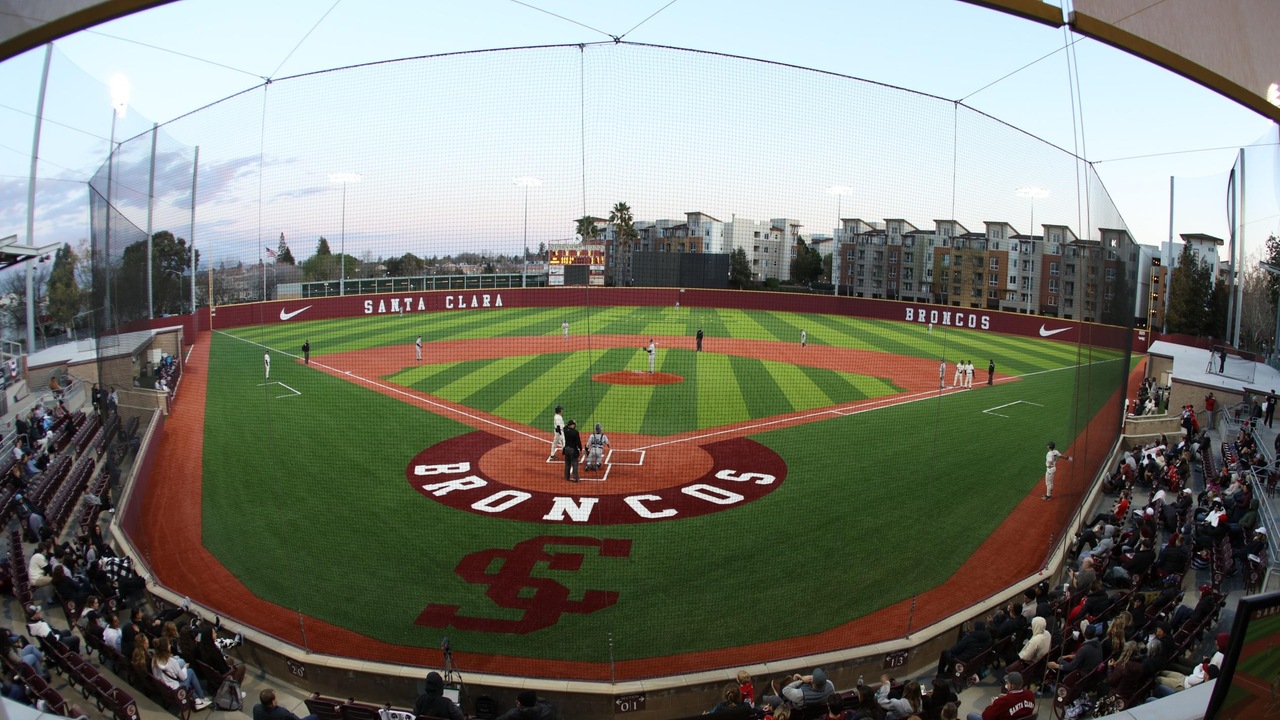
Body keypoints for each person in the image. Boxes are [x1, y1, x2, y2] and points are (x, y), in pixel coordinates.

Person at [965, 671, 1035, 720]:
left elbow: (986, 716)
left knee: (971, 715)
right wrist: (1007, 696)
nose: (1006, 684)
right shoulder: (1030, 694)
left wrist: (994, 703)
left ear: (1012, 685)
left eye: (1007, 683)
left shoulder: (1003, 701)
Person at [253, 688, 318, 720]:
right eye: (275, 698)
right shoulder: (282, 713)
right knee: (314, 716)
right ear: (272, 702)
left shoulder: (256, 708)